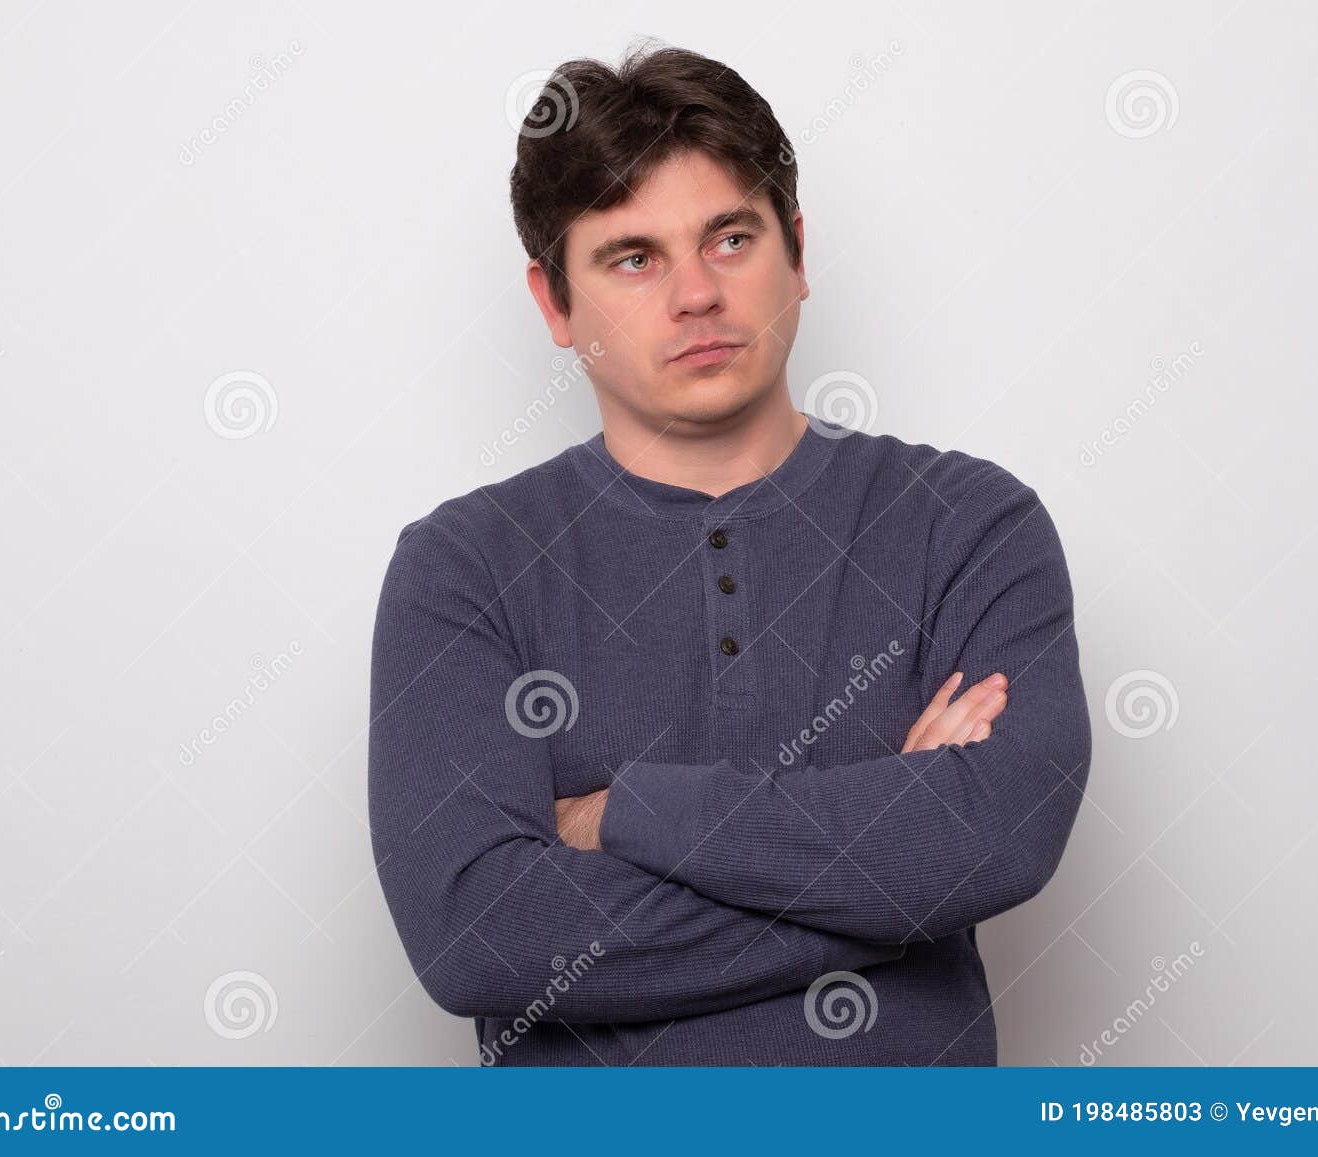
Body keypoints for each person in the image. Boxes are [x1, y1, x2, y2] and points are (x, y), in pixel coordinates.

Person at [367, 42, 1092, 1065]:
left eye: (731, 238)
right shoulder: (462, 568)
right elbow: (479, 938)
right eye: (633, 258)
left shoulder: (968, 524)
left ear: (795, 251)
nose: (696, 294)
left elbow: (1000, 835)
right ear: (554, 303)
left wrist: (628, 812)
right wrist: (895, 873)